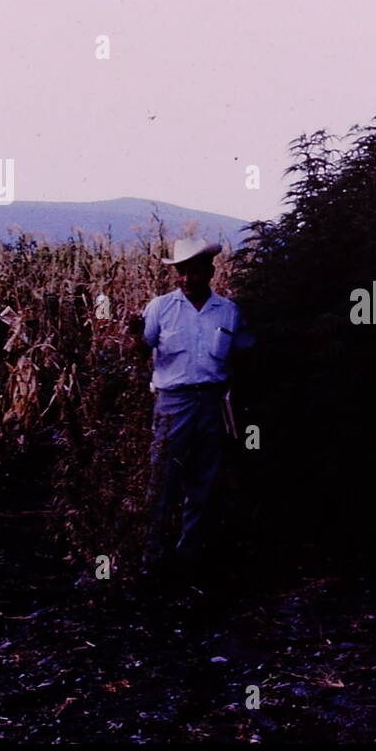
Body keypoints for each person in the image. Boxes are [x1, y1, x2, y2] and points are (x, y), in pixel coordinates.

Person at [126, 236, 252, 582]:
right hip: (173, 403)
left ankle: (190, 558)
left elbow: (243, 352)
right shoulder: (160, 308)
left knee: (204, 482)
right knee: (163, 479)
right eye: (182, 272)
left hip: (212, 402)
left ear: (210, 271)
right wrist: (133, 337)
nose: (187, 279)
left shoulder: (228, 311)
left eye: (195, 271)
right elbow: (141, 350)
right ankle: (152, 558)